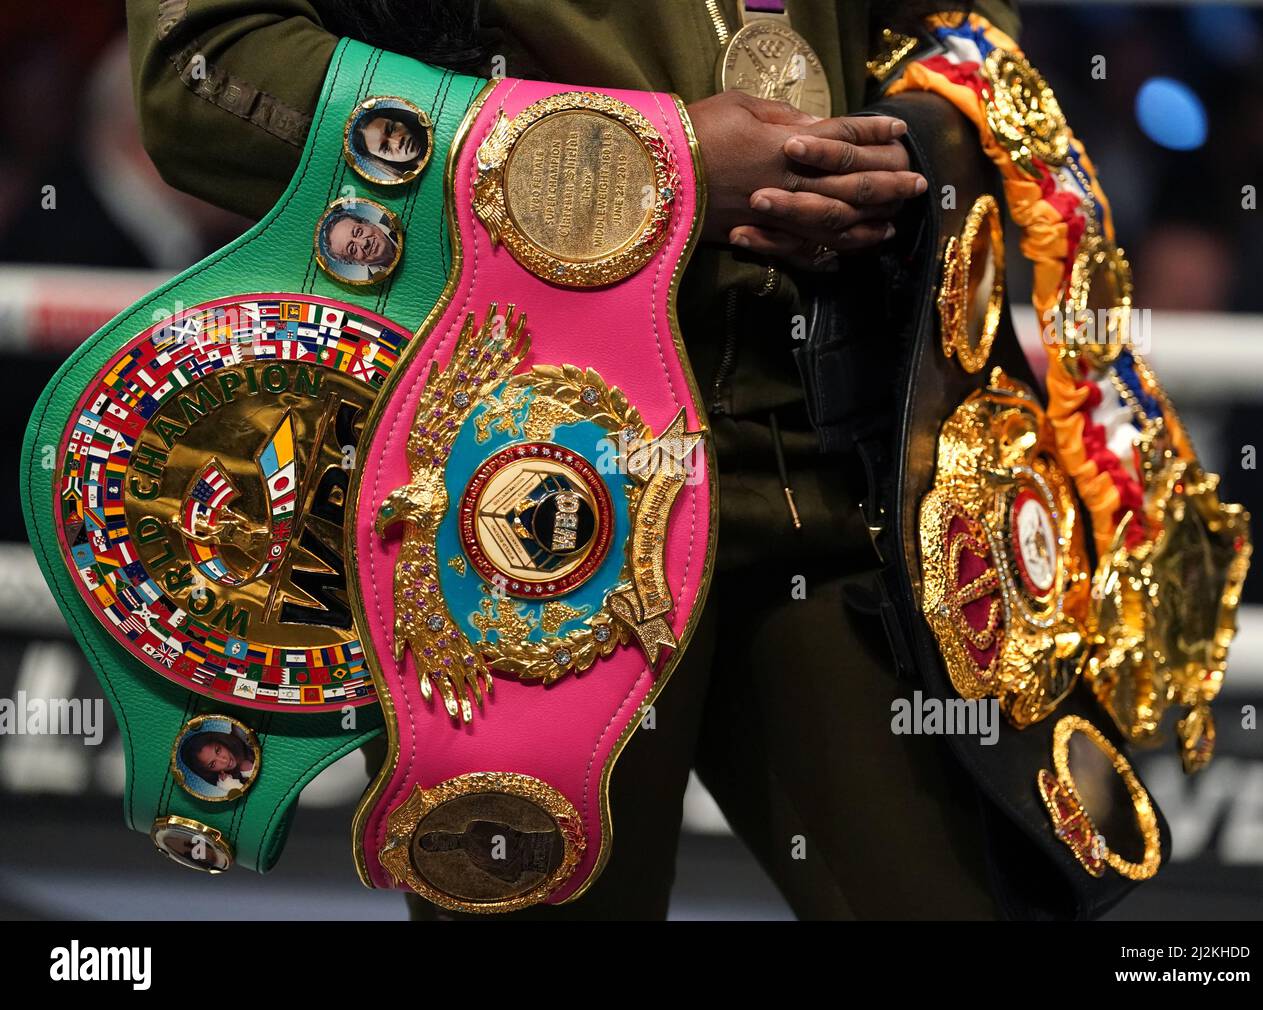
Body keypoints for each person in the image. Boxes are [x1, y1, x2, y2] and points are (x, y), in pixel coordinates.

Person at [128, 0, 1020, 920]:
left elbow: (965, 29)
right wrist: (640, 163)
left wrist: (906, 150)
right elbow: (199, 74)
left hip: (839, 438)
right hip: (505, 449)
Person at [180, 728, 257, 796]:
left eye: (218, 750)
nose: (224, 760)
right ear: (208, 772)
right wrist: (233, 787)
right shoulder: (229, 783)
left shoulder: (240, 732)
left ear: (221, 742)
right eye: (213, 764)